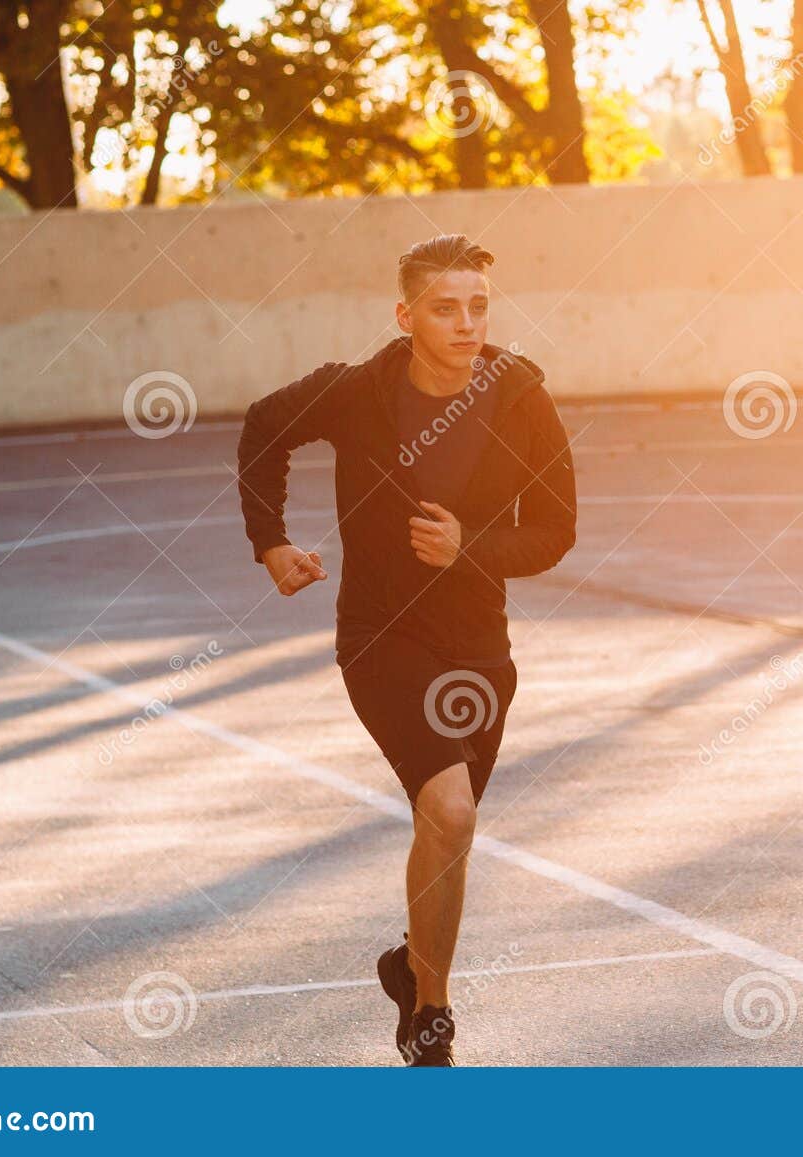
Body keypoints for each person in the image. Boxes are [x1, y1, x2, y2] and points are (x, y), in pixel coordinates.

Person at [235, 234, 578, 1065]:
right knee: (452, 810)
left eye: (478, 307)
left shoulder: (521, 398)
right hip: (381, 635)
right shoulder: (358, 393)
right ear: (406, 316)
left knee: (446, 830)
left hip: (478, 650)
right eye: (444, 307)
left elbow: (555, 530)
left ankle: (411, 971)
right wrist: (271, 541)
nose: (466, 324)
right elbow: (264, 427)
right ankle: (435, 1017)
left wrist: (471, 548)